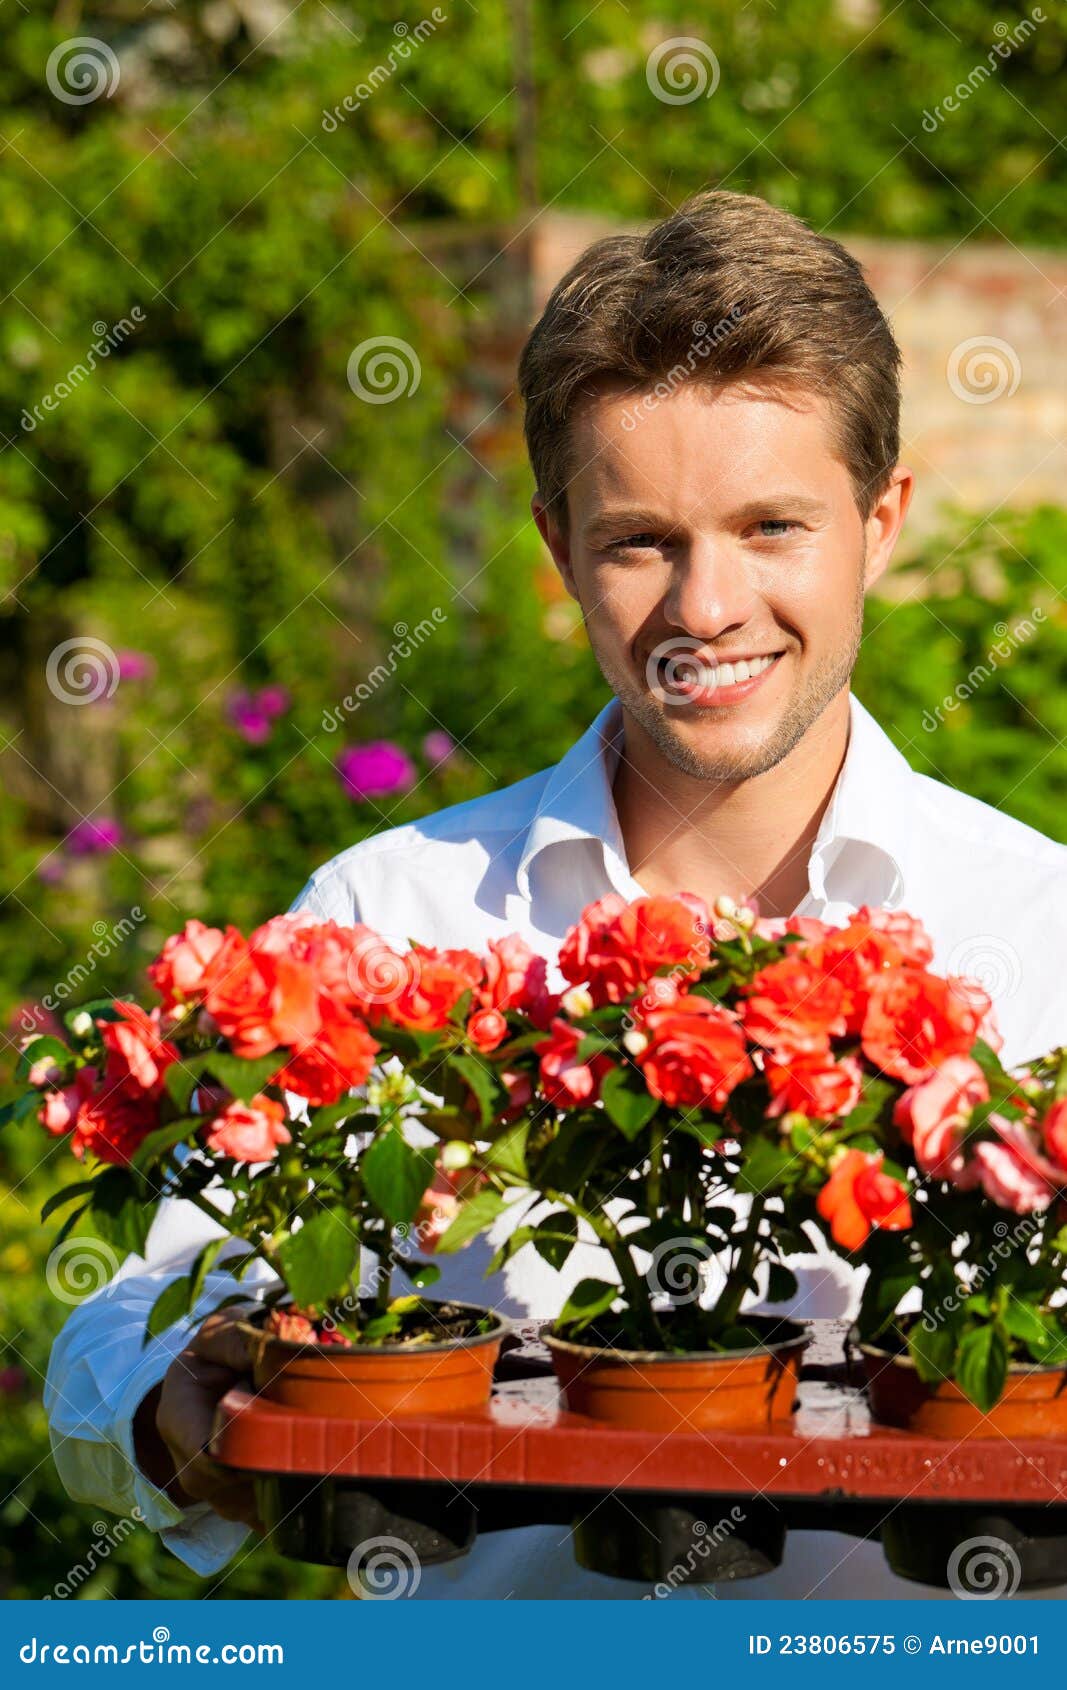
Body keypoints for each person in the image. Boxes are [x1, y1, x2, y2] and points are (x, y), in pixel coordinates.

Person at [45, 189, 1067, 1601]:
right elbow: (127, 1316)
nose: (706, 606)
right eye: (640, 538)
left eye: (774, 525)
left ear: (881, 522)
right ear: (555, 541)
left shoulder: (1039, 931)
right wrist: (188, 1409)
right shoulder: (394, 915)